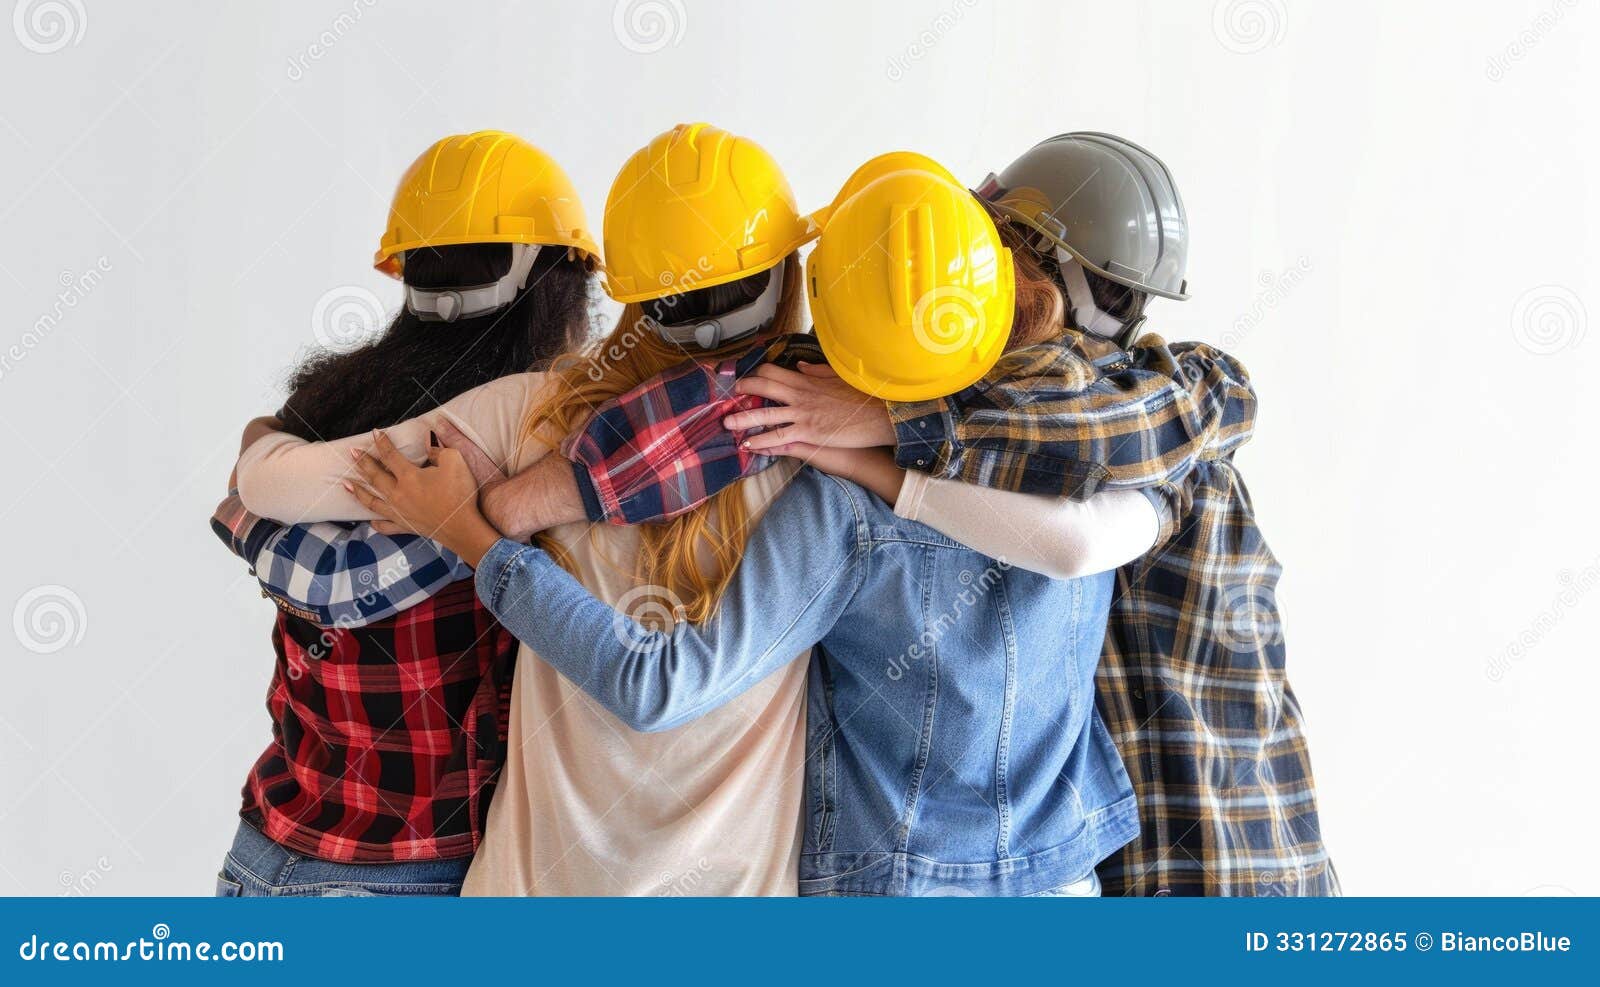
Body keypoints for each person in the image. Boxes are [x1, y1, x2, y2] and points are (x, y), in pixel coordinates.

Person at [231, 145, 1190, 895]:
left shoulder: (549, 417)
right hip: (940, 887)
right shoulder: (1110, 448)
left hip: (499, 890)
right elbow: (1079, 540)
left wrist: (467, 519)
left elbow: (280, 498)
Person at [650, 133, 1336, 896]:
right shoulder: (1056, 413)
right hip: (1121, 858)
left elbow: (1075, 535)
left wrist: (883, 431)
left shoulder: (1150, 422)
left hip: (1213, 855)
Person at [210, 130, 598, 896]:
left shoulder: (326, 415)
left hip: (265, 852)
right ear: (558, 285)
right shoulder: (530, 443)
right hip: (401, 878)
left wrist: (249, 492)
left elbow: (254, 508)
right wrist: (478, 520)